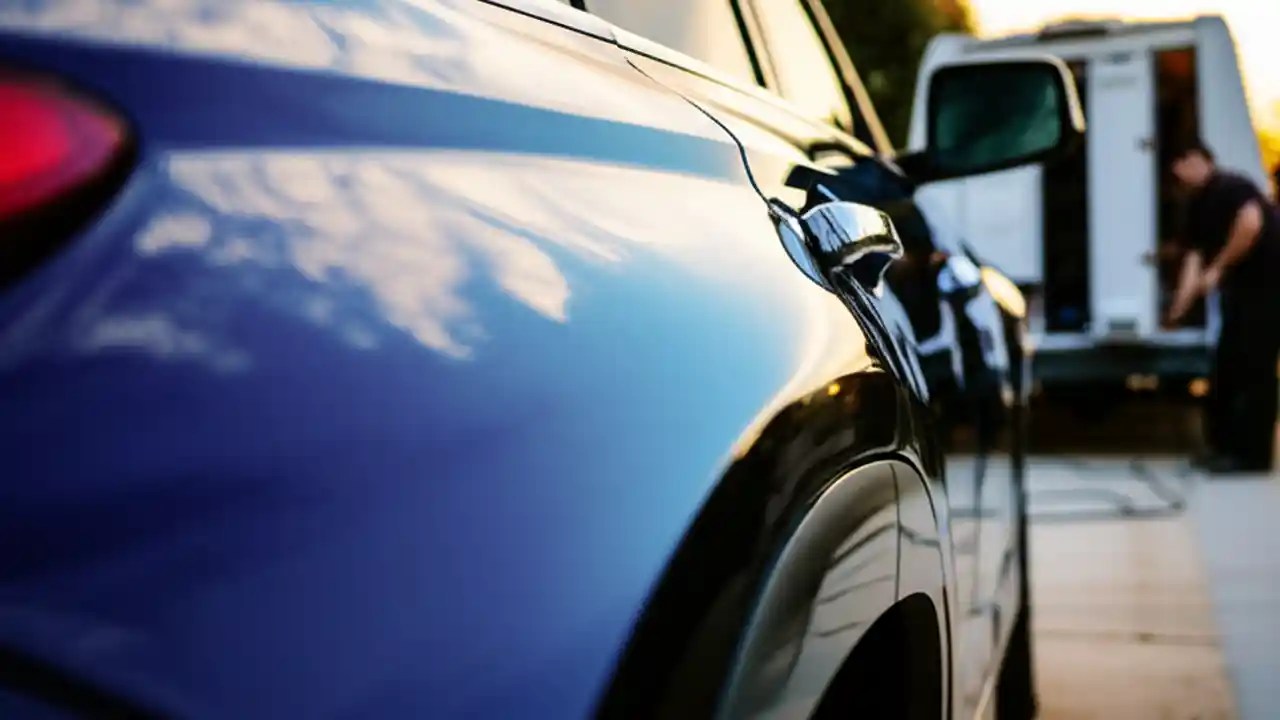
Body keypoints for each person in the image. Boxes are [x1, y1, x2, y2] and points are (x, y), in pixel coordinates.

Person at [1166, 140, 1280, 473]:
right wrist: (1178, 309)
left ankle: (1252, 457)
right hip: (1241, 295)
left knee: (1254, 372)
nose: (1178, 178)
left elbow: (1250, 223)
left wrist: (1220, 266)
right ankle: (1223, 447)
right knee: (1227, 369)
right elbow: (1193, 259)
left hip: (1267, 291)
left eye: (1180, 166)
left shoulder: (1231, 185)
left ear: (1198, 159)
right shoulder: (1198, 205)